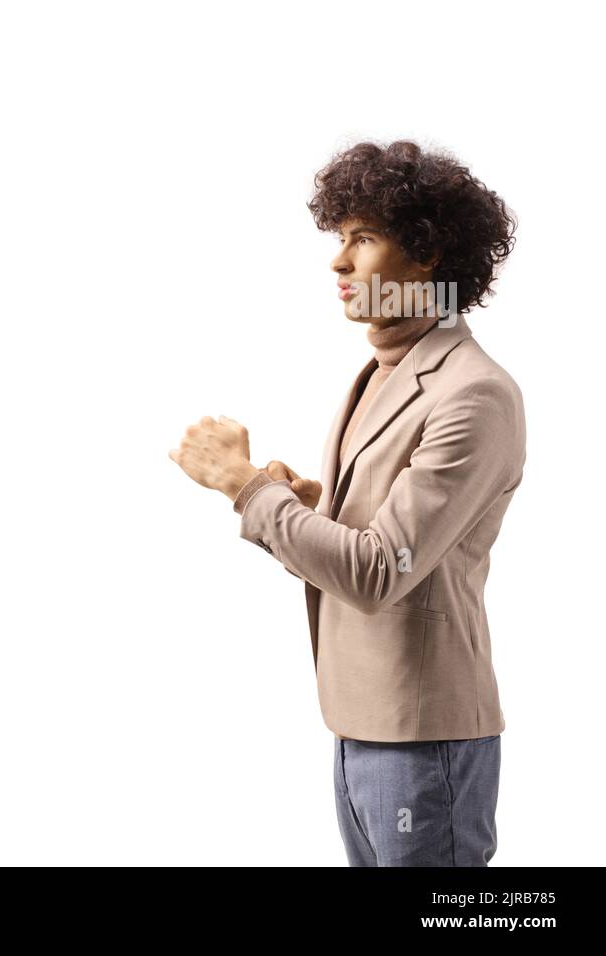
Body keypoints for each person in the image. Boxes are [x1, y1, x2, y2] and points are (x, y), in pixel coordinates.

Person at [168, 141, 522, 866]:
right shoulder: (383, 371)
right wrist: (303, 511)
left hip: (425, 739)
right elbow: (369, 547)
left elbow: (374, 572)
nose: (338, 262)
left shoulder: (473, 393)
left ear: (426, 255)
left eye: (361, 239)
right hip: (363, 721)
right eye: (340, 238)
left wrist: (247, 487)